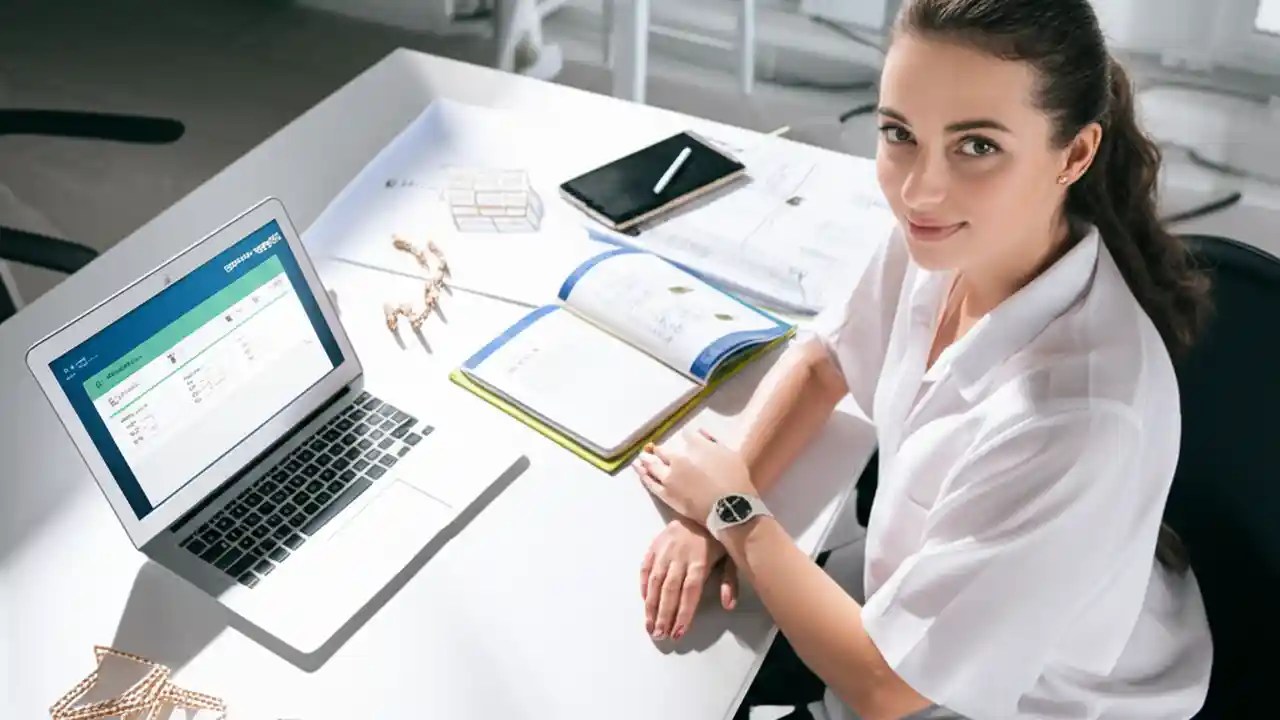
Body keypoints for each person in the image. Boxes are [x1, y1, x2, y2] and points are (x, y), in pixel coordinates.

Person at [631, 0, 1216, 718]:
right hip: (911, 624)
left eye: (977, 147)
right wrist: (707, 510)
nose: (919, 188)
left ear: (1074, 154)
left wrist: (731, 509)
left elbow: (884, 688)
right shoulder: (948, 237)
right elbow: (826, 361)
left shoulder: (1079, 414)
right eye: (899, 133)